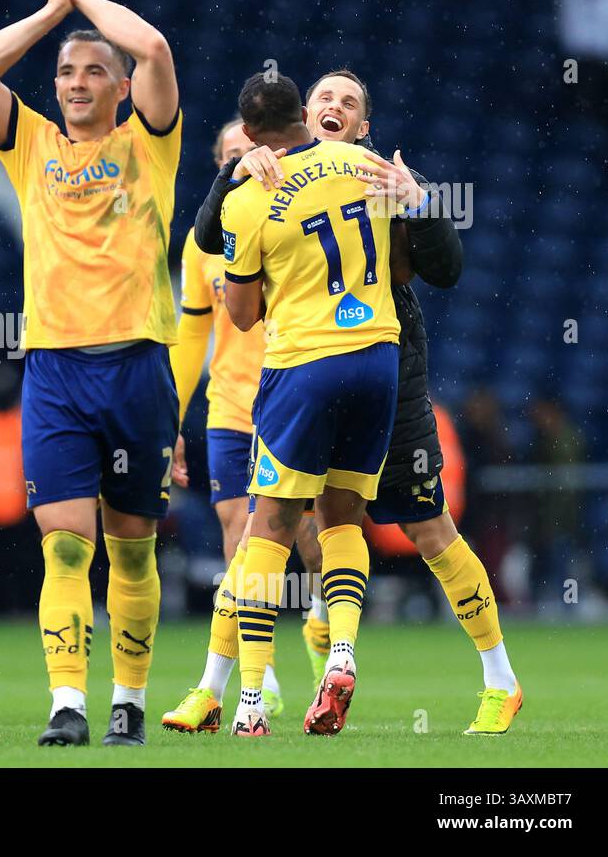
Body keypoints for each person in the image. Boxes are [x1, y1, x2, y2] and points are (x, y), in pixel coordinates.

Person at [198, 69, 520, 735]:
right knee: (308, 529)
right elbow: (207, 235)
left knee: (426, 530)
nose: (336, 106)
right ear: (305, 116)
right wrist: (234, 173)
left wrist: (419, 201)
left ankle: (500, 679)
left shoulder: (379, 175)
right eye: (325, 98)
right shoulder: (266, 179)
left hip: (388, 372)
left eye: (350, 102)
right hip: (315, 375)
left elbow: (448, 269)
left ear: (364, 125)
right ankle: (315, 671)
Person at [0, 0, 181, 746]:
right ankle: (67, 705)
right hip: (54, 372)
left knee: (131, 553)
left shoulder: (148, 145)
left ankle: (128, 698)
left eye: (93, 71)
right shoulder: (32, 147)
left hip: (138, 367)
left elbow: (153, 45)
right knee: (62, 551)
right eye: (65, 72)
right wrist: (50, 11)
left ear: (120, 89)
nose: (77, 82)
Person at [218, 71, 402, 737]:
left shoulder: (249, 195)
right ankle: (344, 650)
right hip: (379, 357)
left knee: (267, 528)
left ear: (247, 136)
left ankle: (248, 704)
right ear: (304, 113)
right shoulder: (366, 163)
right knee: (344, 518)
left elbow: (240, 315)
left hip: (303, 364)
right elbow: (407, 253)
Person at [160, 118, 327, 734]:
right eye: (233, 155)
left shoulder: (301, 219)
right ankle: (262, 676)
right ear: (220, 164)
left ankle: (316, 620)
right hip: (230, 408)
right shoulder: (202, 245)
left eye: (255, 151)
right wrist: (172, 418)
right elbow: (190, 338)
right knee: (243, 534)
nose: (246, 161)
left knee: (308, 539)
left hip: (294, 398)